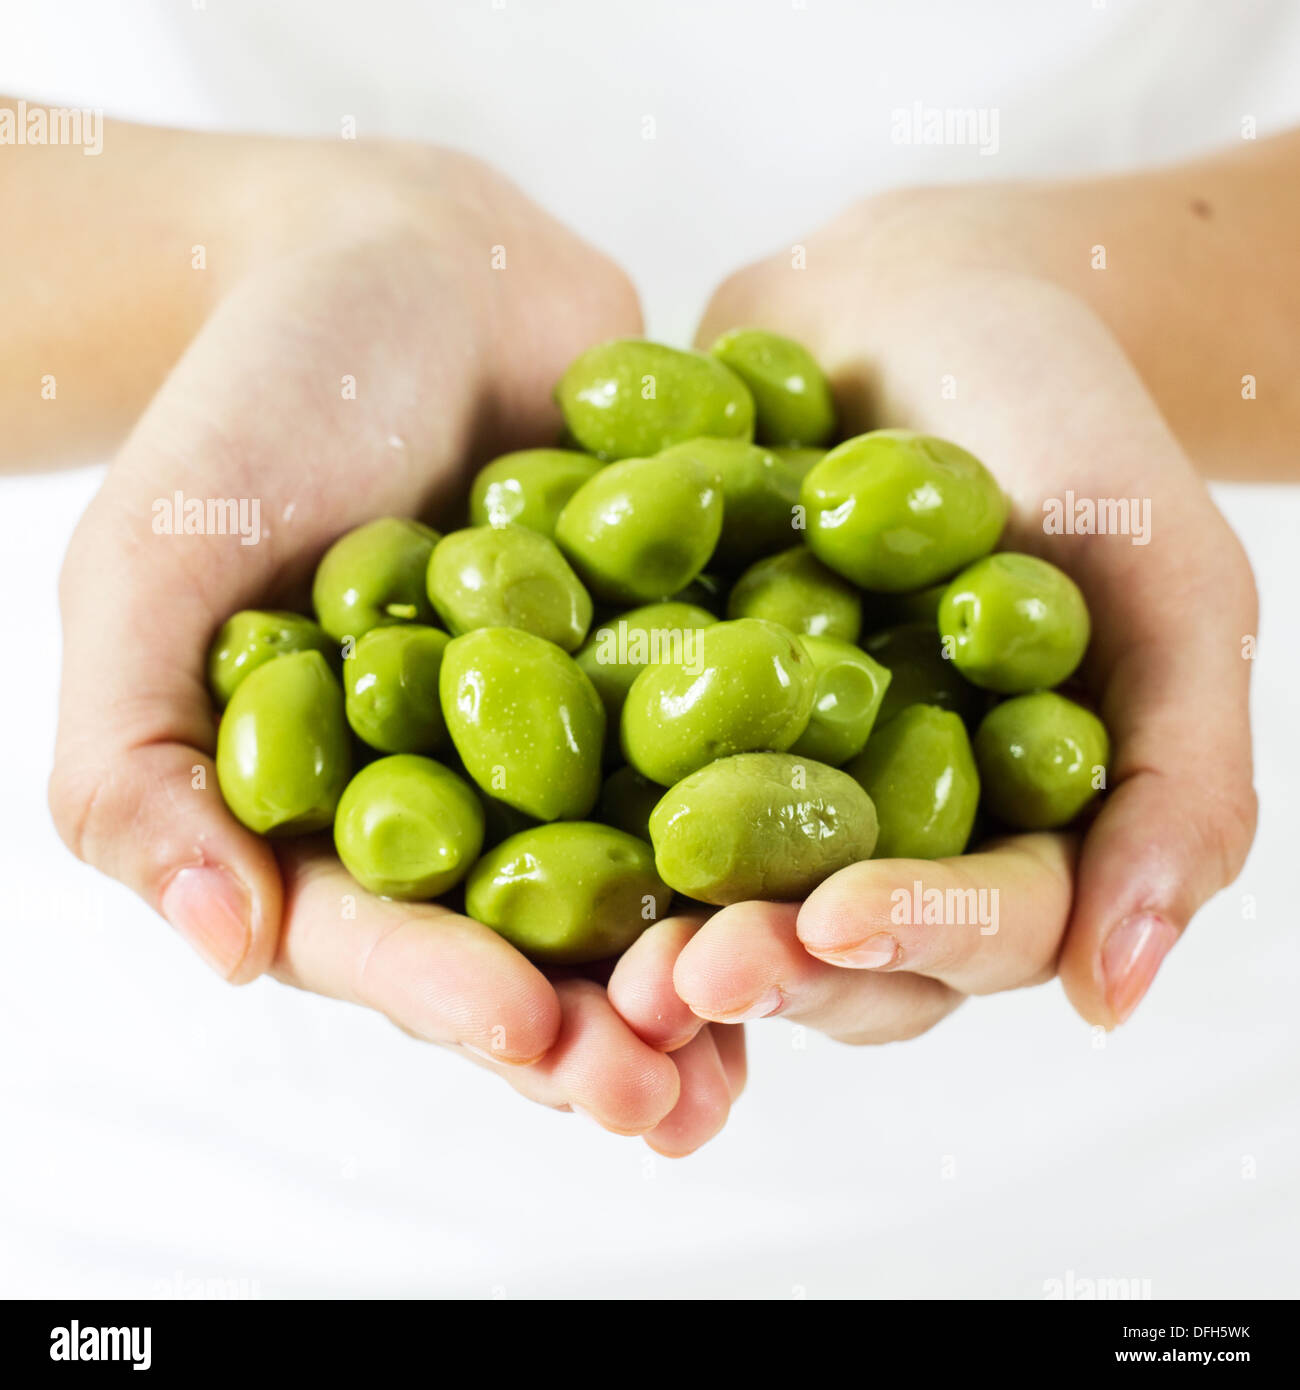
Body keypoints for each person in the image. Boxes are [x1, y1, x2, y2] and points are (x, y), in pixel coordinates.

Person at [7, 96, 1287, 1158]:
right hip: (195, 1152)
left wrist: (1036, 277)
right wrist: (290, 236)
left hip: (1124, 1148)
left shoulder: (838, 619)